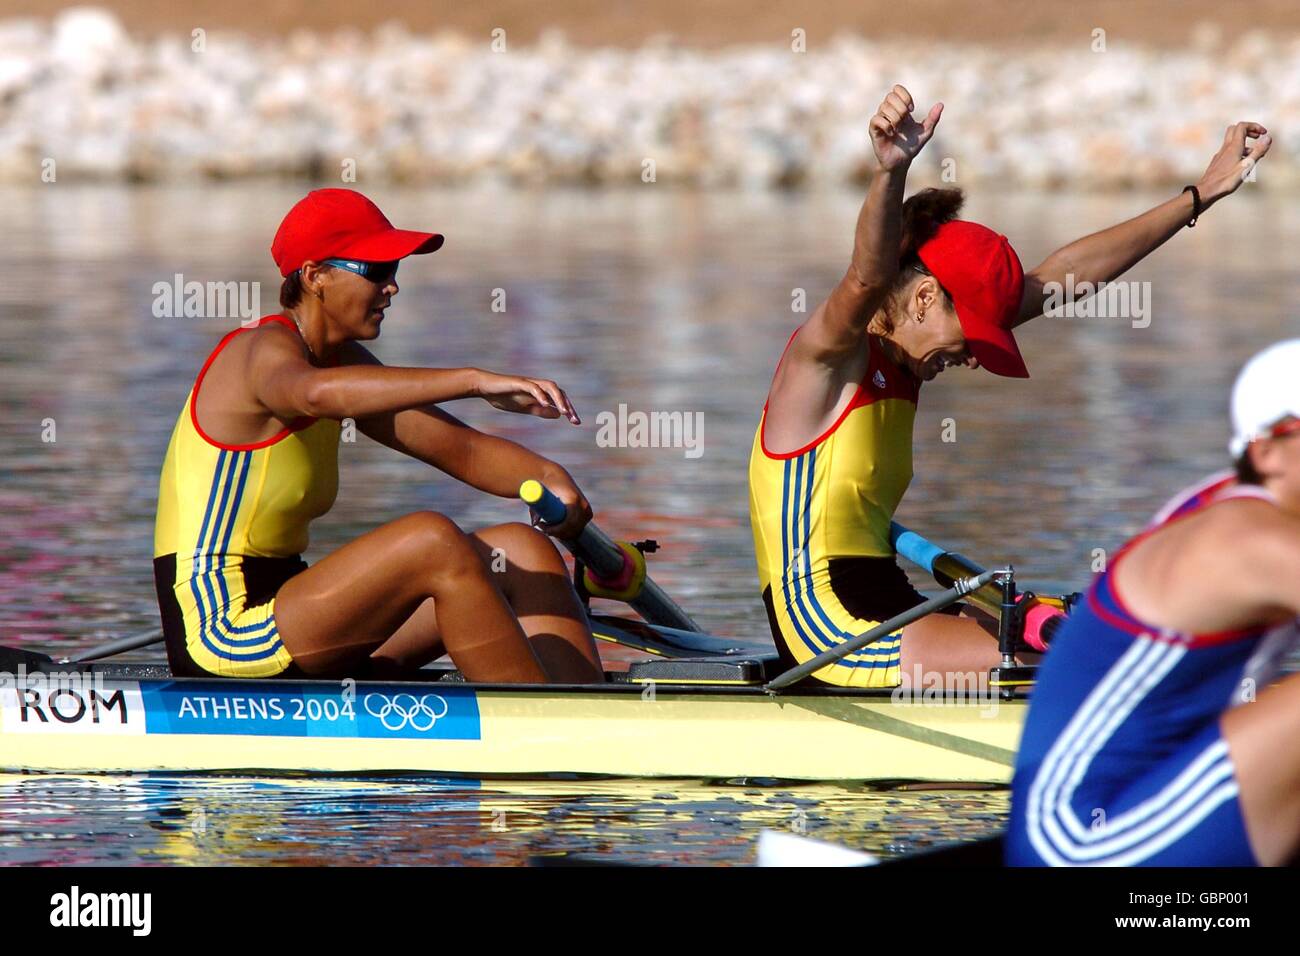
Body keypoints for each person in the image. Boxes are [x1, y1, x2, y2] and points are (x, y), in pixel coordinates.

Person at [748, 83, 1270, 688]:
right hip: (827, 635)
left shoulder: (909, 354)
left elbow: (1068, 277)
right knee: (1072, 657)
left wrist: (1199, 194)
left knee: (1094, 627)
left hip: (887, 606)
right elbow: (866, 279)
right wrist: (890, 172)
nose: (972, 359)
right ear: (922, 298)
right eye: (970, 337)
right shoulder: (827, 359)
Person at [153, 188, 603, 684]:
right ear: (314, 276)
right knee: (431, 538)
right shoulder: (257, 353)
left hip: (292, 610)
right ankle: (537, 729)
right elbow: (314, 396)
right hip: (223, 634)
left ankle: (584, 709)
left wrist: (548, 477)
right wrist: (475, 381)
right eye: (377, 270)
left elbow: (464, 451)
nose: (392, 287)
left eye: (396, 271)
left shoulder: (344, 367)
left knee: (522, 551)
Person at [1007, 341, 1300, 866]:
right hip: (1079, 842)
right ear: (1266, 452)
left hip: (1142, 804)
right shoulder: (1246, 539)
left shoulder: (1236, 503)